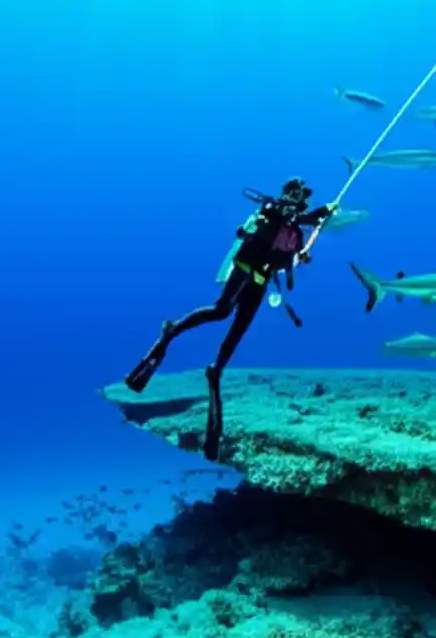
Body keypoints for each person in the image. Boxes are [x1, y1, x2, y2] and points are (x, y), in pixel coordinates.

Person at [124, 177, 336, 458]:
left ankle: (216, 370)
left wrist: (310, 236)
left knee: (239, 330)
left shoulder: (294, 231)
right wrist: (313, 216)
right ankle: (173, 330)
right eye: (292, 193)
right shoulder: (270, 210)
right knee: (222, 310)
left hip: (260, 281)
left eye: (299, 196)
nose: (295, 199)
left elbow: (286, 259)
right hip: (244, 269)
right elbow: (272, 225)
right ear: (285, 194)